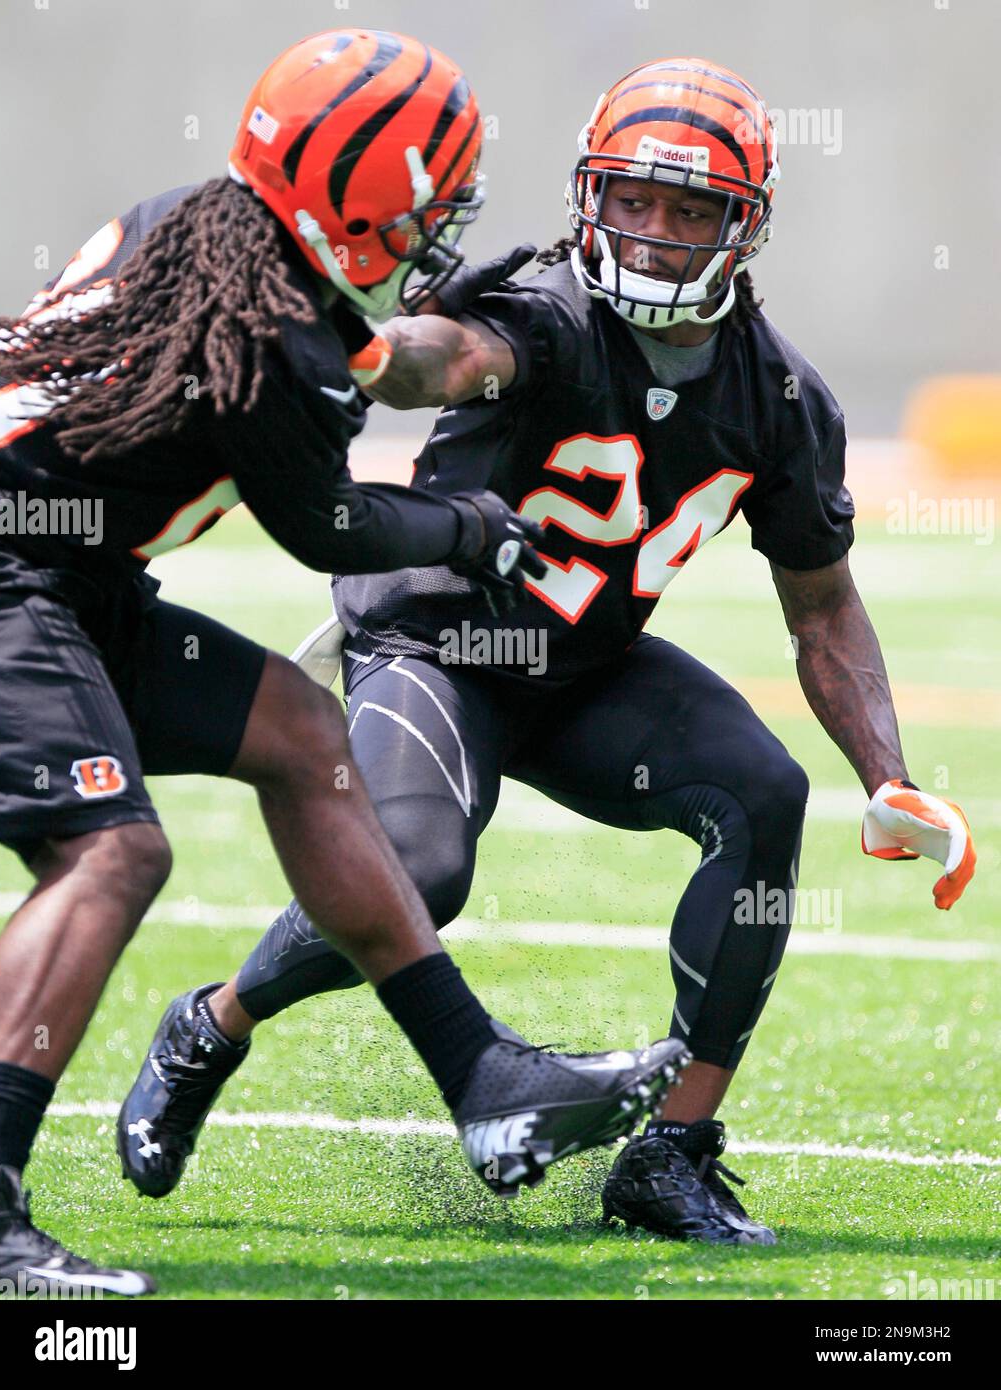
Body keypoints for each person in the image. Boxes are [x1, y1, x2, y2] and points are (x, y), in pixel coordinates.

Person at [119, 55, 975, 1247]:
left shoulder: (777, 394)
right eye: (631, 199)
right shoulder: (543, 310)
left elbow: (821, 605)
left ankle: (670, 1151)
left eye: (688, 210)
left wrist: (885, 769)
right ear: (591, 195)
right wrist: (370, 344)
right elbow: (445, 355)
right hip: (440, 642)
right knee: (418, 868)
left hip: (584, 668)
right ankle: (212, 1019)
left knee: (765, 792)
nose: (654, 231)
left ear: (744, 225)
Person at [0, 30, 689, 1298]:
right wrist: (476, 529)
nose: (443, 224)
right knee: (110, 850)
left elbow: (321, 375)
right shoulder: (271, 336)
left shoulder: (209, 231)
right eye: (435, 199)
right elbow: (331, 523)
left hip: (67, 577)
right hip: (3, 577)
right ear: (369, 197)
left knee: (304, 737)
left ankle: (480, 1079)